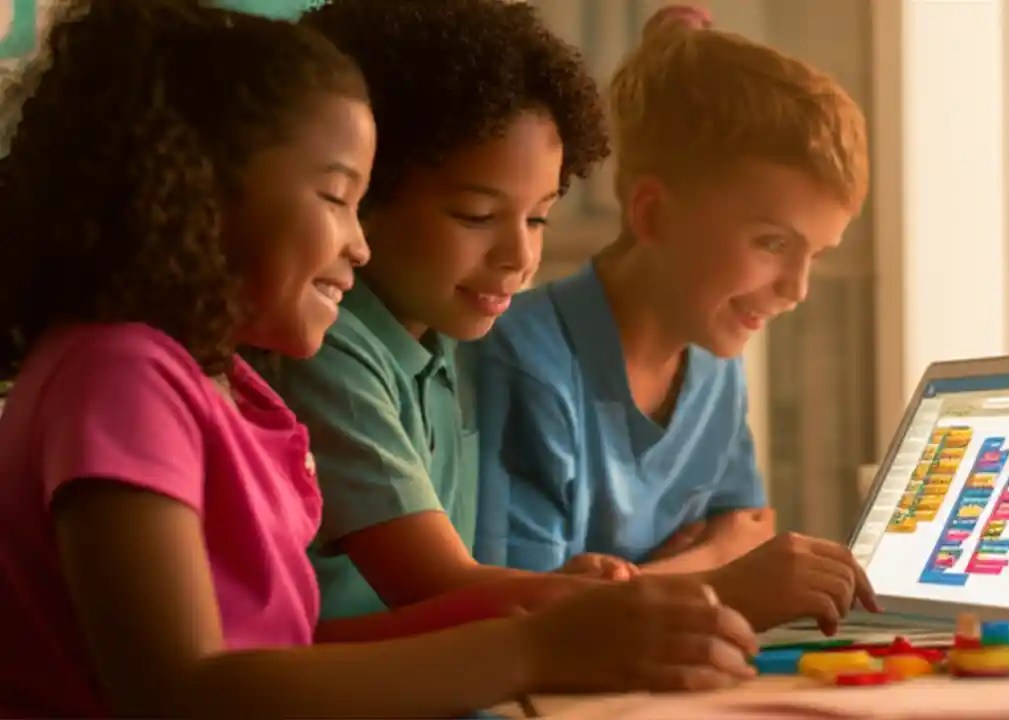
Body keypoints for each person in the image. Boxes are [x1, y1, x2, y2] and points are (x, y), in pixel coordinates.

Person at [0, 2, 755, 716]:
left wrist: (532, 608)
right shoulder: (120, 376)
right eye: (337, 200)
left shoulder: (230, 390)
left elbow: (292, 652)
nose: (357, 245)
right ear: (195, 194)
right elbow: (181, 691)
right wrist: (527, 648)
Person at [471, 7, 877, 634]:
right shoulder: (527, 362)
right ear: (654, 216)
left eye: (815, 256)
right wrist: (716, 575)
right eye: (771, 243)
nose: (796, 290)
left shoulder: (716, 363)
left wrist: (644, 582)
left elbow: (750, 533)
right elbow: (529, 615)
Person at [253, 0, 635, 635]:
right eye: (476, 217)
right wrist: (706, 595)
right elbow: (433, 586)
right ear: (363, 197)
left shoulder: (440, 342)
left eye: (538, 217)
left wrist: (560, 589)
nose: (520, 255)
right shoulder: (325, 347)